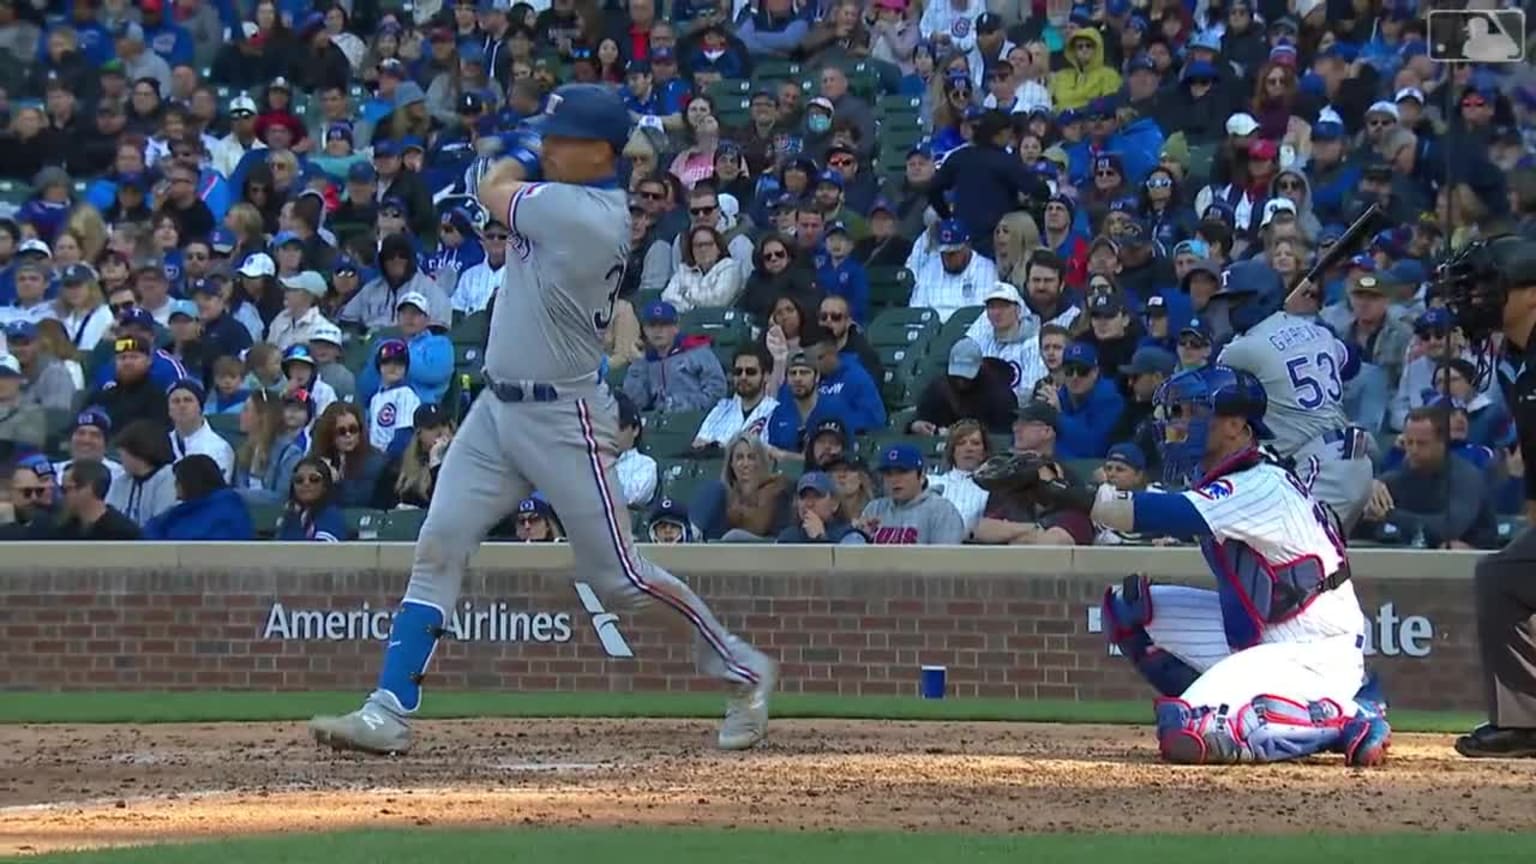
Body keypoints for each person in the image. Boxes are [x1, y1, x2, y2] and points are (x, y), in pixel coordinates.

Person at [309, 85, 777, 756]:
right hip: (497, 409)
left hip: (566, 415)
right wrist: (526, 142)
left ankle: (742, 670)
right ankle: (389, 708)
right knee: (439, 543)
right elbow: (495, 186)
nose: (555, 144)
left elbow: (492, 187)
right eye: (552, 136)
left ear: (602, 154)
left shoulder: (584, 213)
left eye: (567, 137)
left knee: (621, 577)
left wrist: (519, 141)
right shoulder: (566, 197)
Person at [974, 365, 1388, 766]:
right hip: (1261, 633)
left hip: (1312, 648)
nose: (1181, 423)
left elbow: (1169, 514)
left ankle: (1348, 713)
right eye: (1180, 412)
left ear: (1235, 425)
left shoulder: (1260, 482)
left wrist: (1063, 491)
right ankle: (1227, 704)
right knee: (1129, 608)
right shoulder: (1233, 472)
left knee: (1187, 731)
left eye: (1195, 413)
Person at [1437, 237, 1536, 758]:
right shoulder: (1514, 357)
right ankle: (1524, 722)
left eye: (1490, 286)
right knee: (1503, 577)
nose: (1476, 297)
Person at [1223, 260, 1372, 533]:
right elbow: (1351, 362)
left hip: (1322, 465)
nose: (1231, 308)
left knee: (1297, 552)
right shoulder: (1318, 332)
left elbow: (1214, 379)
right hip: (1345, 460)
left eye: (1238, 300)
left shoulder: (1241, 349)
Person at [858, 444, 966, 545]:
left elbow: (946, 560)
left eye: (902, 472)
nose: (894, 480)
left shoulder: (942, 511)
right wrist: (860, 535)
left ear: (922, 476)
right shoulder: (874, 509)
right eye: (888, 474)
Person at [143, 454, 255, 540]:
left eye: (178, 481)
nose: (175, 486)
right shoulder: (184, 510)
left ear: (190, 482)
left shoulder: (226, 510)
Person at [692, 346, 778, 452]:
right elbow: (699, 444)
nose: (743, 377)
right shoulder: (721, 408)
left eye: (750, 372)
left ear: (766, 376)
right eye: (738, 372)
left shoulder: (776, 411)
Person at [105, 418, 180, 527]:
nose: (121, 458)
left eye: (123, 452)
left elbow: (162, 522)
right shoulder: (122, 481)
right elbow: (109, 518)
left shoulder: (168, 477)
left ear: (137, 451)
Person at [52, 458, 142, 541]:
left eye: (65, 489)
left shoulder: (122, 532)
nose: (61, 496)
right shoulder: (64, 529)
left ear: (88, 489)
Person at [776, 471, 868, 544]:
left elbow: (849, 566)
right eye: (803, 497)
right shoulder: (787, 537)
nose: (809, 504)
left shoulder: (850, 536)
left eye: (817, 496)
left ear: (834, 504)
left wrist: (820, 539)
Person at [277, 456, 351, 542]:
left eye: (314, 479)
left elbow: (324, 551)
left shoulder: (332, 516)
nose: (306, 484)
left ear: (325, 485)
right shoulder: (290, 518)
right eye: (299, 480)